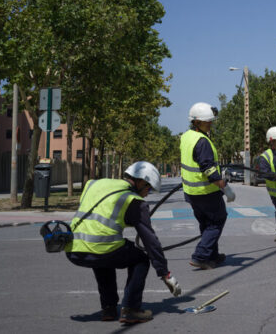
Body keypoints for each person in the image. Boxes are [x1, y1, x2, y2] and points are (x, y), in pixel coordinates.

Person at [65, 161, 181, 324]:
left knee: (104, 258)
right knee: (140, 258)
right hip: (99, 247)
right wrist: (164, 273)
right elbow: (150, 240)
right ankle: (131, 310)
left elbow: (100, 215)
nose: (147, 194)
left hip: (74, 248)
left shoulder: (94, 184)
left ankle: (109, 309)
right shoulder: (132, 200)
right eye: (148, 188)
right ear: (140, 181)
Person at [180, 102, 235, 269]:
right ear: (196, 122)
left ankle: (212, 256)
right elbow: (208, 168)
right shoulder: (202, 141)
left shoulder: (186, 136)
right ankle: (201, 256)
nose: (210, 123)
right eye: (207, 121)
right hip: (206, 191)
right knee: (218, 220)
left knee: (206, 223)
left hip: (191, 192)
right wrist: (224, 187)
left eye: (211, 120)